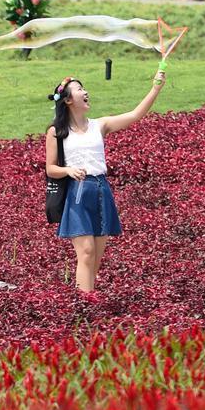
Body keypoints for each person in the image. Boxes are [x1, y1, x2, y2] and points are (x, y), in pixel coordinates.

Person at [44, 68, 166, 292]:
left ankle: (86, 302)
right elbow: (51, 168)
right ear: (69, 100)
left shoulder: (99, 125)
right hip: (77, 193)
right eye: (80, 89)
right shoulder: (56, 131)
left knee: (95, 259)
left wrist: (155, 88)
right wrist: (69, 170)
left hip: (101, 191)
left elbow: (135, 115)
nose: (86, 92)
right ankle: (84, 304)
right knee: (87, 252)